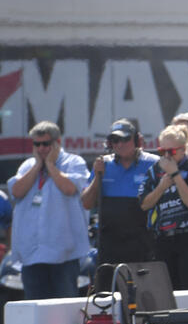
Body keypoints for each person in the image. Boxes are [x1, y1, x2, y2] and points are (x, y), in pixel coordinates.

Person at [6, 121, 92, 299]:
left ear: (57, 142)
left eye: (45, 144)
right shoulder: (28, 165)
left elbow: (69, 188)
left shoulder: (73, 162)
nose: (41, 149)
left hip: (64, 254)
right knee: (35, 308)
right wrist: (38, 165)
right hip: (32, 254)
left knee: (64, 308)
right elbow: (16, 191)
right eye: (36, 144)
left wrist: (51, 166)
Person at [139, 124, 188, 290]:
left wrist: (176, 175)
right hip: (164, 238)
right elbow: (144, 204)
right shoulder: (154, 171)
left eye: (171, 152)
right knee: (166, 291)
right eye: (162, 151)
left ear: (183, 149)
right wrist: (161, 187)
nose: (166, 156)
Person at [81, 119, 159, 268]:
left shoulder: (154, 163)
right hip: (110, 246)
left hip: (145, 244)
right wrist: (97, 177)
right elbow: (86, 203)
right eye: (115, 140)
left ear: (137, 140)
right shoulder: (103, 164)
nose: (120, 144)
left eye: (125, 139)